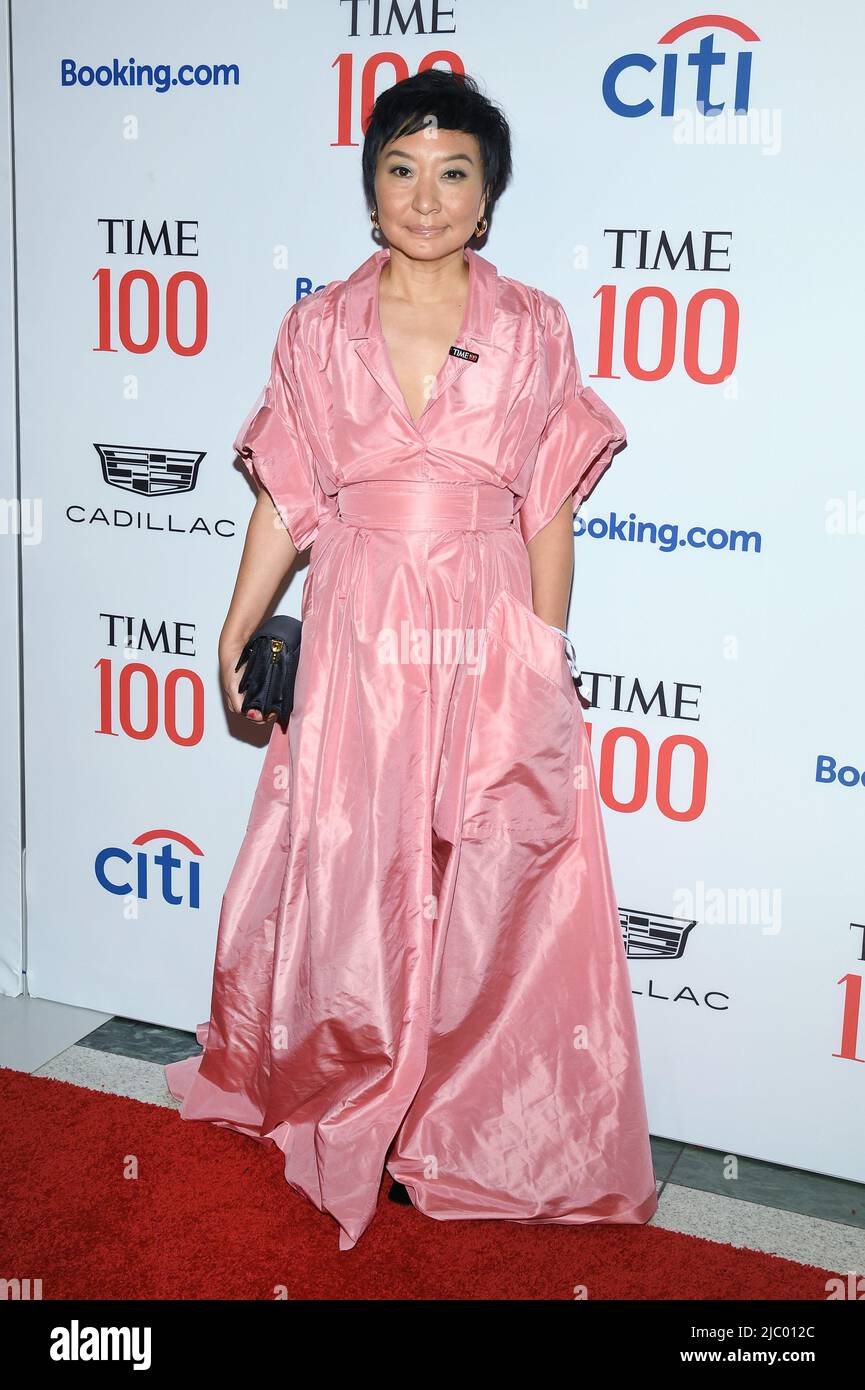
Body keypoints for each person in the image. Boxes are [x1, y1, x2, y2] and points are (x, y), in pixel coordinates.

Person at [165, 69, 658, 1251]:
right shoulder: (317, 326)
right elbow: (291, 495)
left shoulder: (533, 323)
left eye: (453, 173)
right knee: (351, 866)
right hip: (361, 626)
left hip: (487, 621)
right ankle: (348, 1097)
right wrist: (238, 620)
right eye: (401, 169)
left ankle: (462, 1121)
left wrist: (541, 652)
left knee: (490, 872)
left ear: (485, 197)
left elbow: (546, 507)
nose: (426, 197)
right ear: (370, 186)